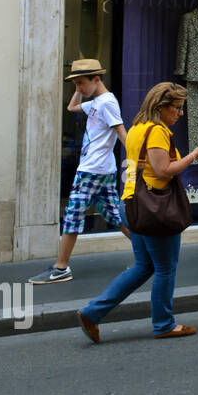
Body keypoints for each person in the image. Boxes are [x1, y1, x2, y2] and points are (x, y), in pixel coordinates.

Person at [77, 83, 198, 342]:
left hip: (131, 203)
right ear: (161, 107)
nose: (180, 113)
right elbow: (163, 171)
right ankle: (164, 324)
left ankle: (92, 312)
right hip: (153, 208)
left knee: (143, 266)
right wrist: (194, 155)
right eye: (177, 108)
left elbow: (134, 168)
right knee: (165, 268)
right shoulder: (157, 132)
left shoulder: (136, 129)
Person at [30, 60, 132, 284]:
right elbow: (72, 108)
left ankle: (60, 268)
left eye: (81, 83)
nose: (79, 88)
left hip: (91, 171)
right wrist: (77, 89)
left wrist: (137, 160)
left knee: (73, 216)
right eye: (76, 84)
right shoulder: (97, 102)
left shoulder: (106, 103)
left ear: (96, 79)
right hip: (102, 169)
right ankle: (148, 257)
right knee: (117, 216)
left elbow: (122, 133)